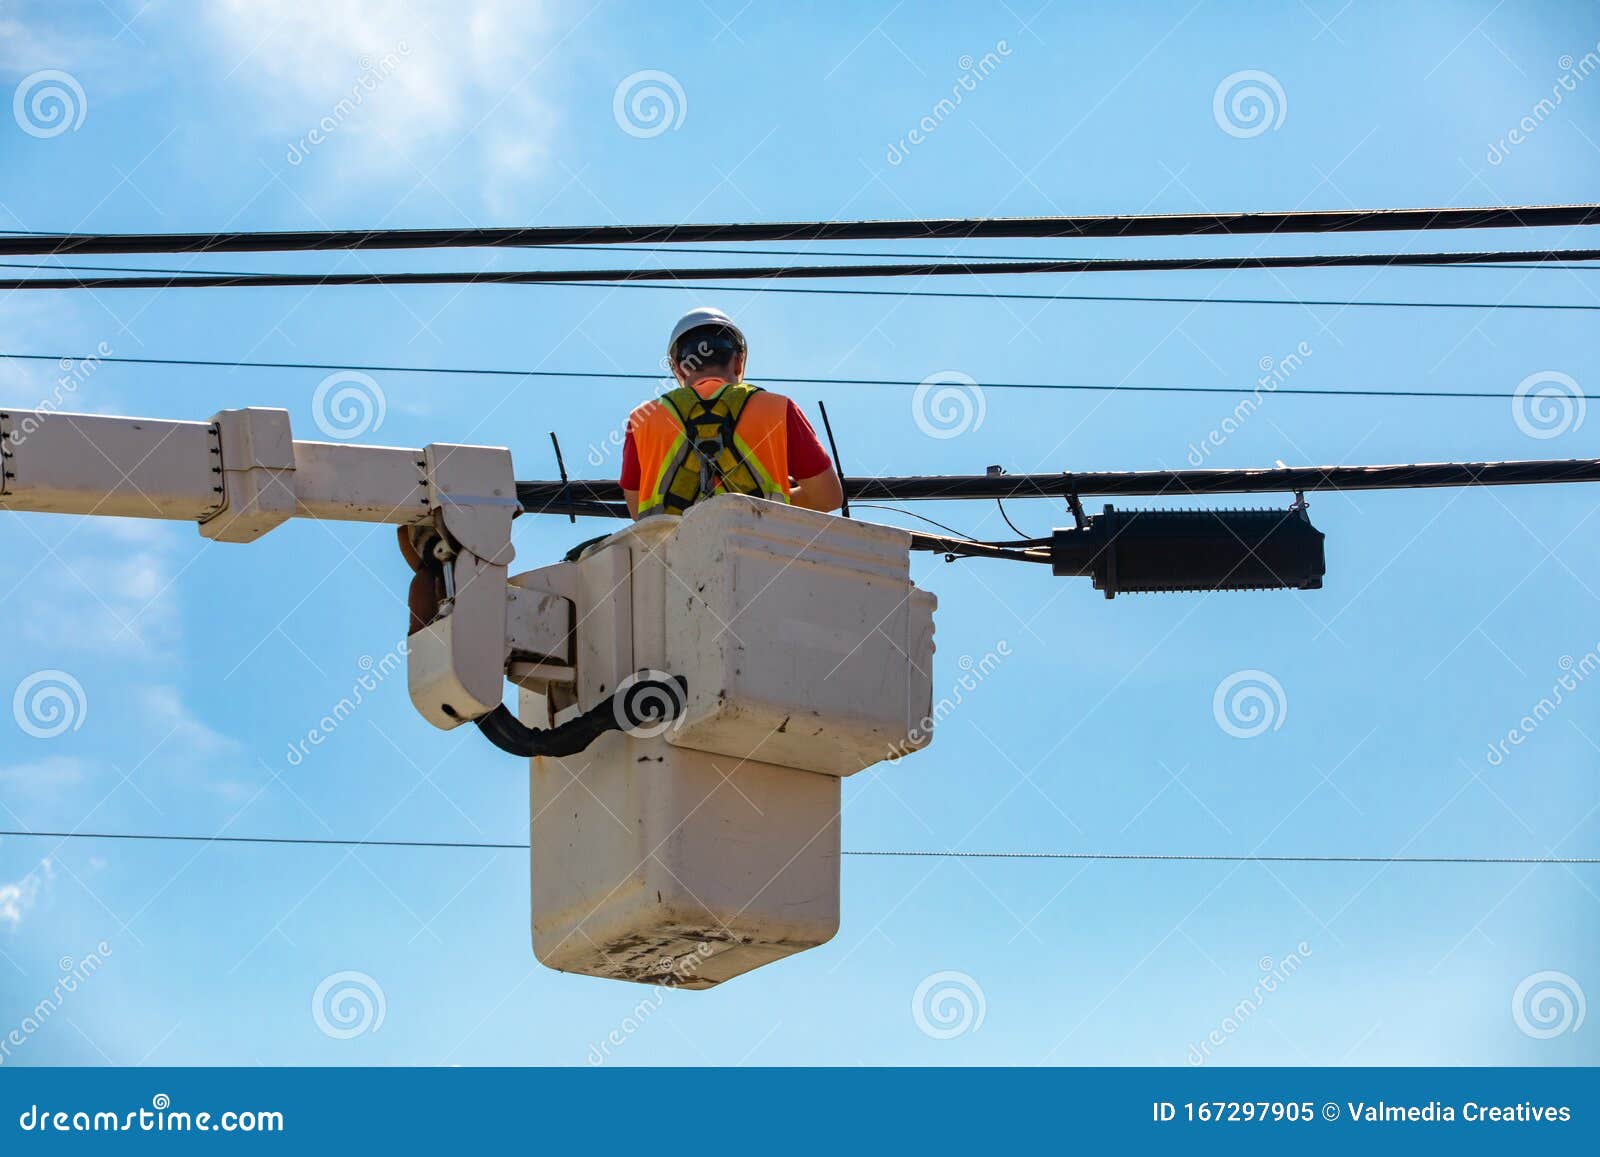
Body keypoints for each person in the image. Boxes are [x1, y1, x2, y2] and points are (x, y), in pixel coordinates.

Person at [620, 307, 844, 519]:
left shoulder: (642, 419)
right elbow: (827, 497)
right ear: (738, 362)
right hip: (759, 551)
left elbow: (638, 510)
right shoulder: (778, 408)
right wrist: (771, 502)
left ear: (679, 368)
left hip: (671, 558)